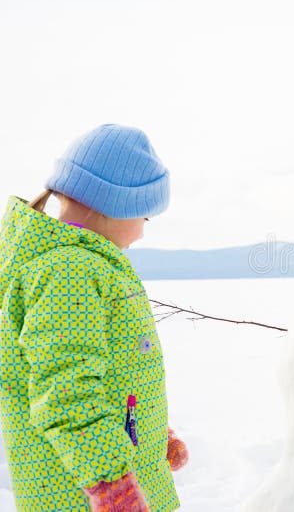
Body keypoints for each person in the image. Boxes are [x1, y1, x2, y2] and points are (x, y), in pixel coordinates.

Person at [0, 124, 188, 511]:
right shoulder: (68, 272)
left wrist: (153, 436)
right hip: (78, 497)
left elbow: (115, 377)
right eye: (144, 218)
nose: (142, 233)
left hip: (117, 477)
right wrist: (110, 485)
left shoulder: (83, 267)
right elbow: (67, 393)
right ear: (113, 205)